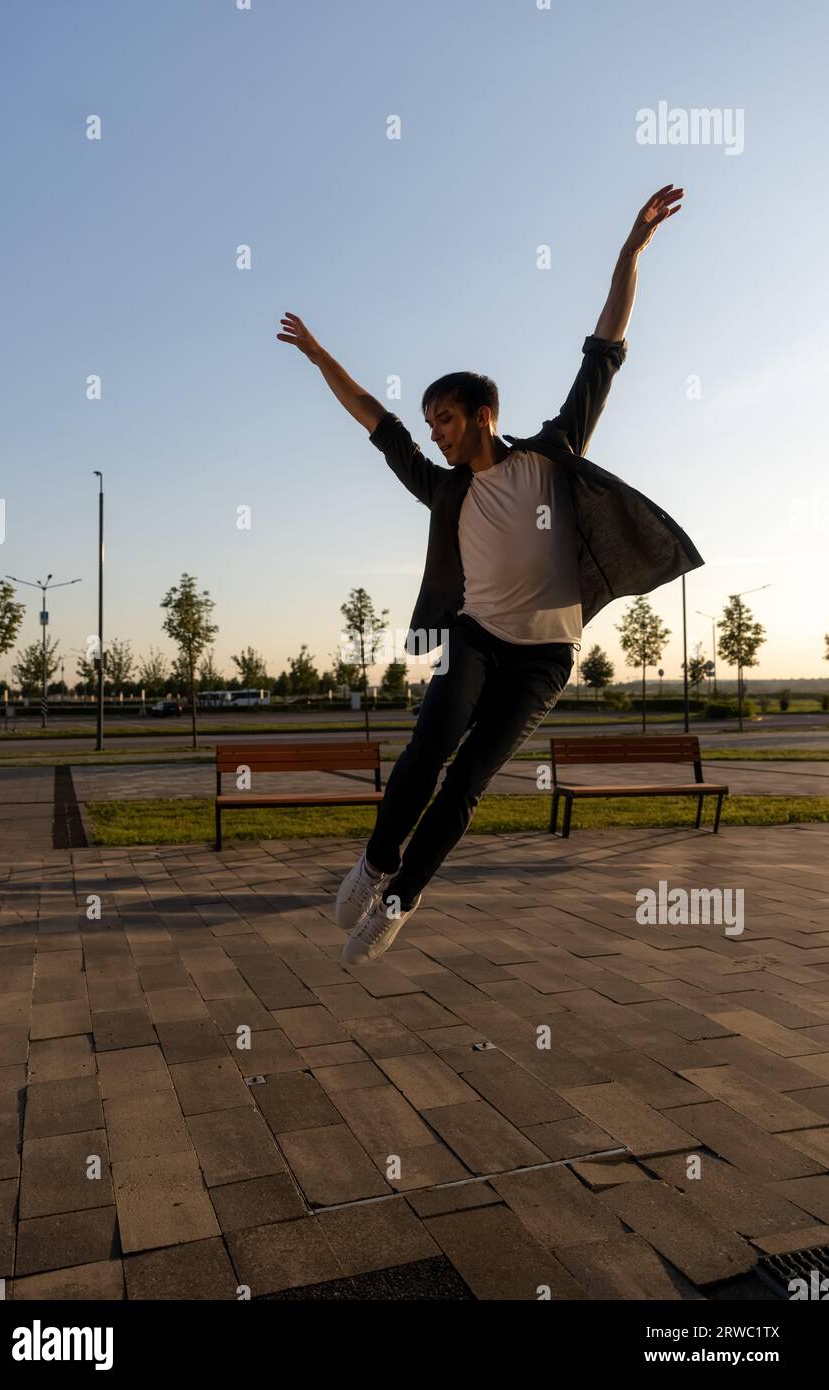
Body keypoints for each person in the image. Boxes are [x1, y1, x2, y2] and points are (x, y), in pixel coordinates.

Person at [277, 185, 702, 965]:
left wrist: (632, 249)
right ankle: (375, 862)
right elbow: (375, 417)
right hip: (473, 636)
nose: (433, 433)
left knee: (466, 781)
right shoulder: (442, 487)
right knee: (427, 748)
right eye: (429, 420)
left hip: (545, 656)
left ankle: (397, 905)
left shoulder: (550, 453)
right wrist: (315, 355)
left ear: (481, 414)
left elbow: (602, 349)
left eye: (442, 417)